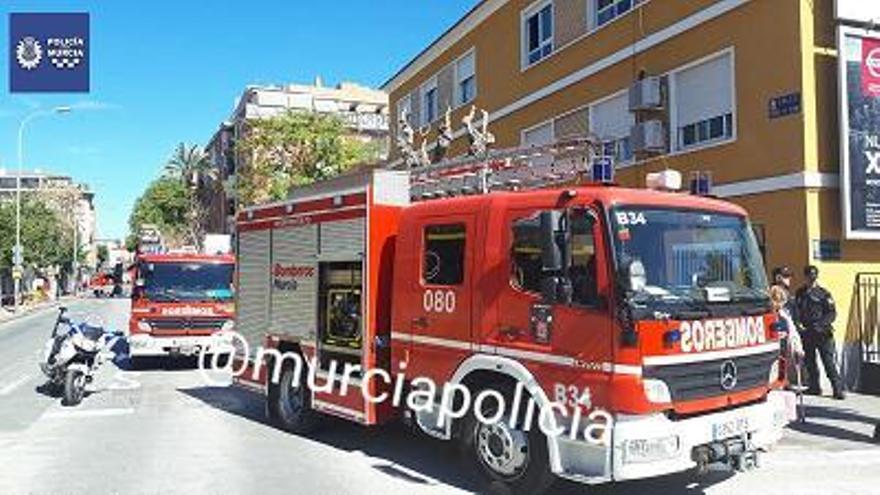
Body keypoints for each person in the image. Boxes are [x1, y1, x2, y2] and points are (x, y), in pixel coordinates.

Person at [795, 265, 845, 400]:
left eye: (813, 277)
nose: (811, 279)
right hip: (807, 333)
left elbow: (832, 313)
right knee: (810, 362)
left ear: (816, 277)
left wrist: (821, 324)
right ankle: (814, 387)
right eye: (809, 277)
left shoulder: (824, 293)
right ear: (805, 277)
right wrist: (797, 323)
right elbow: (797, 311)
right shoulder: (800, 293)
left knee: (828, 362)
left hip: (822, 333)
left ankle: (837, 389)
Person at [770, 285, 803, 386]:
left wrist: (798, 348)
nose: (781, 305)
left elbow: (793, 333)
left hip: (784, 353)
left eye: (783, 302)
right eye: (779, 302)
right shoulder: (767, 314)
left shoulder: (784, 315)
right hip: (772, 355)